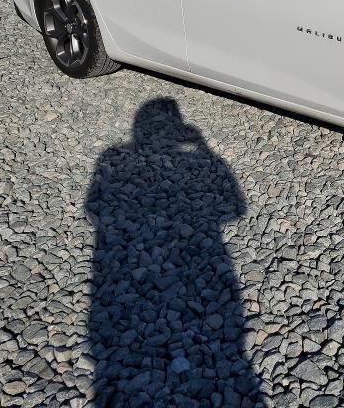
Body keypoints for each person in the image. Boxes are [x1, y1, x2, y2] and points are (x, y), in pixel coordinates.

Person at [86, 98, 259, 407]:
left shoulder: (111, 157)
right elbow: (236, 208)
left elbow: (93, 209)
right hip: (213, 259)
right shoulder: (194, 157)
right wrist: (204, 150)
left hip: (114, 276)